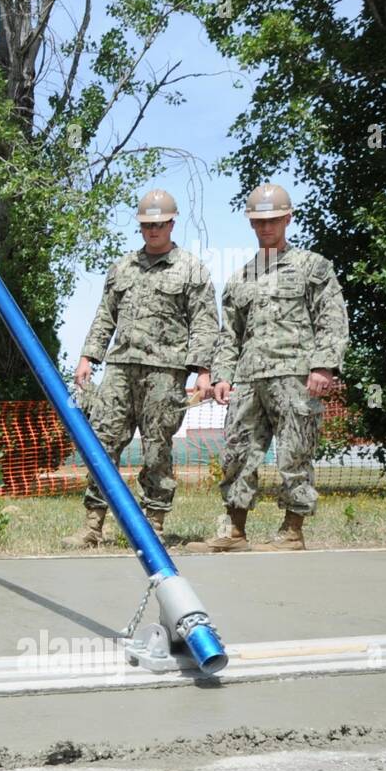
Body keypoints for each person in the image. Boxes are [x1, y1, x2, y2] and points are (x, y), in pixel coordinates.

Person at [187, 183, 349, 552]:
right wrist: (223, 375)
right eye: (258, 221)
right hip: (247, 380)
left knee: (295, 452)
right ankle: (234, 531)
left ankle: (292, 531)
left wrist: (323, 366)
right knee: (237, 454)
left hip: (296, 377)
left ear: (288, 218)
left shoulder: (312, 266)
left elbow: (332, 319)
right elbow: (229, 334)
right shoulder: (241, 277)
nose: (266, 227)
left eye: (273, 219)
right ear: (251, 224)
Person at [63, 189, 218, 548]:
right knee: (102, 444)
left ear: (171, 223)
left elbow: (205, 323)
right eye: (147, 225)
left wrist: (203, 370)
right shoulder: (123, 268)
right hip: (119, 368)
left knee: (157, 448)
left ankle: (155, 526)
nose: (153, 231)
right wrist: (89, 356)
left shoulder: (191, 269)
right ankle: (93, 526)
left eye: (159, 224)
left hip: (165, 372)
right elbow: (105, 316)